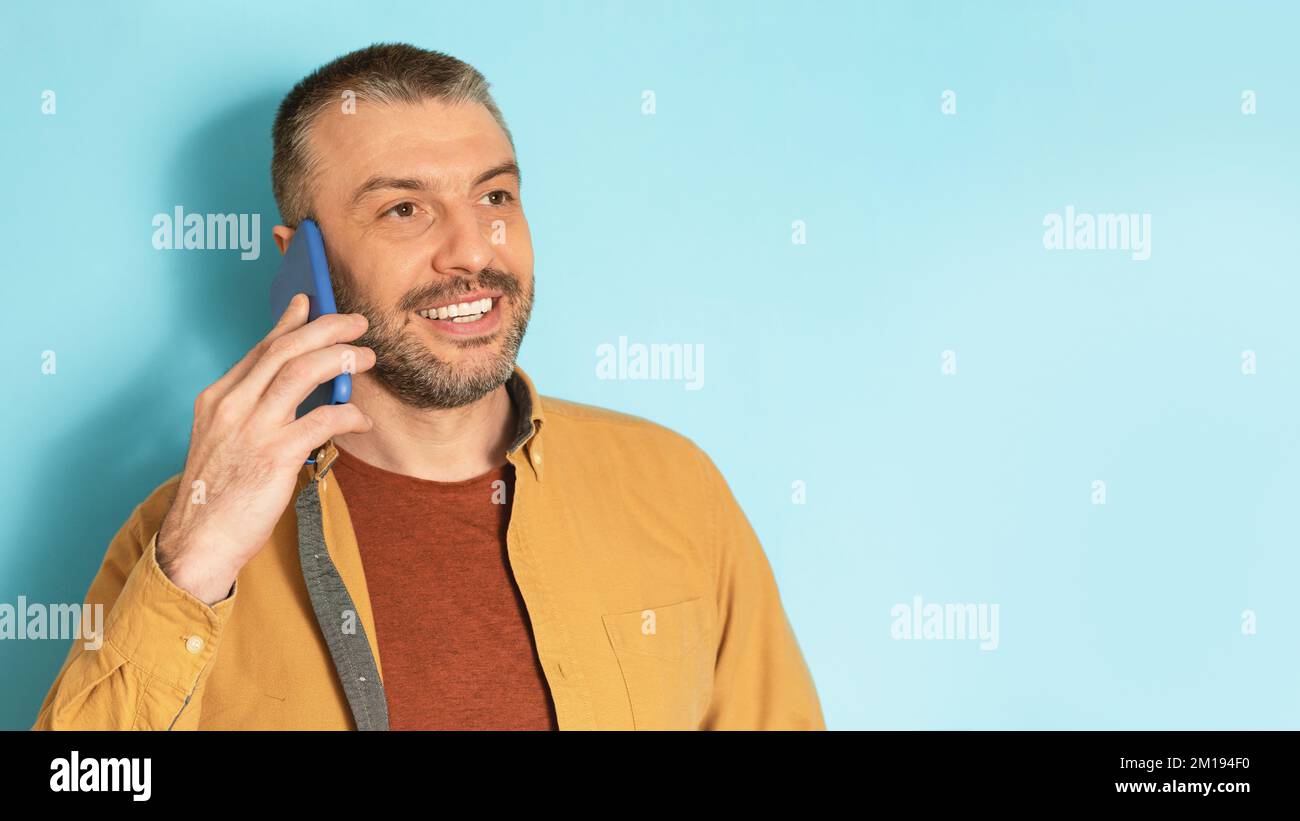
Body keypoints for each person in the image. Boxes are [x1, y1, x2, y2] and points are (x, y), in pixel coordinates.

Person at [32, 42, 824, 730]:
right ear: (301, 262)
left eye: (494, 197)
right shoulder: (176, 542)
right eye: (405, 208)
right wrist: (195, 559)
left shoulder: (675, 487)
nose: (472, 250)